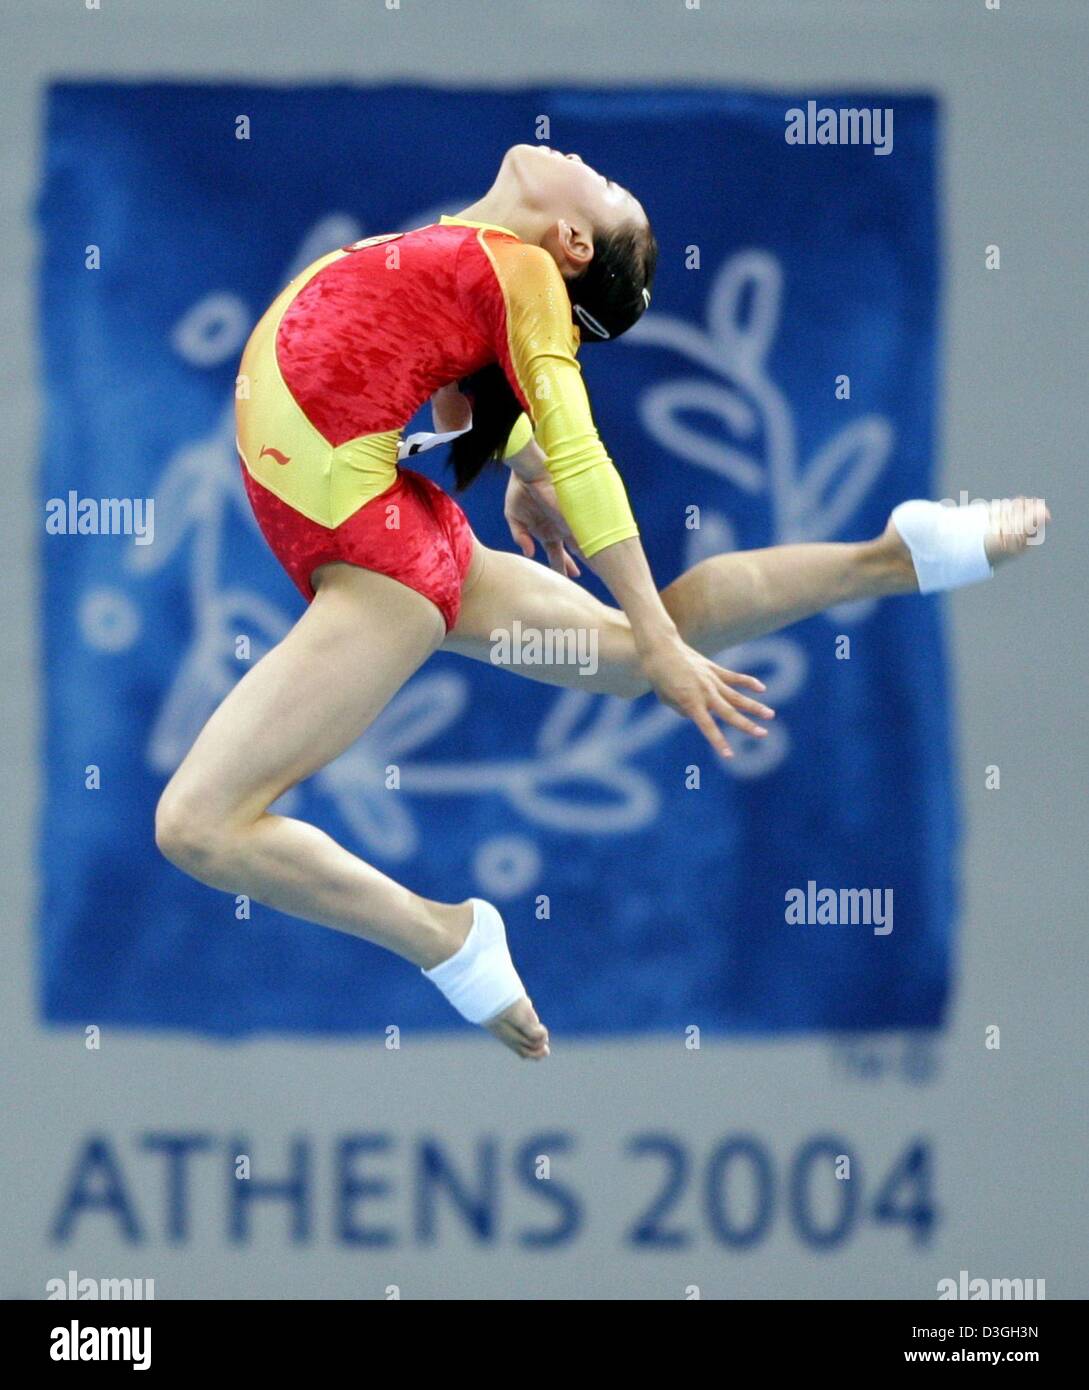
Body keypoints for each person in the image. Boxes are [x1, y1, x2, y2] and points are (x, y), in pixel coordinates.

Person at [155, 143, 1047, 1059]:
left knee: (199, 825)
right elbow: (443, 383)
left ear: (573, 239)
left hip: (376, 558)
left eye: (611, 185)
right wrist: (516, 462)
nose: (583, 157)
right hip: (383, 525)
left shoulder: (524, 272)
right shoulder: (472, 252)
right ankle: (894, 557)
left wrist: (655, 629)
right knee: (625, 661)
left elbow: (580, 451)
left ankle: (447, 942)